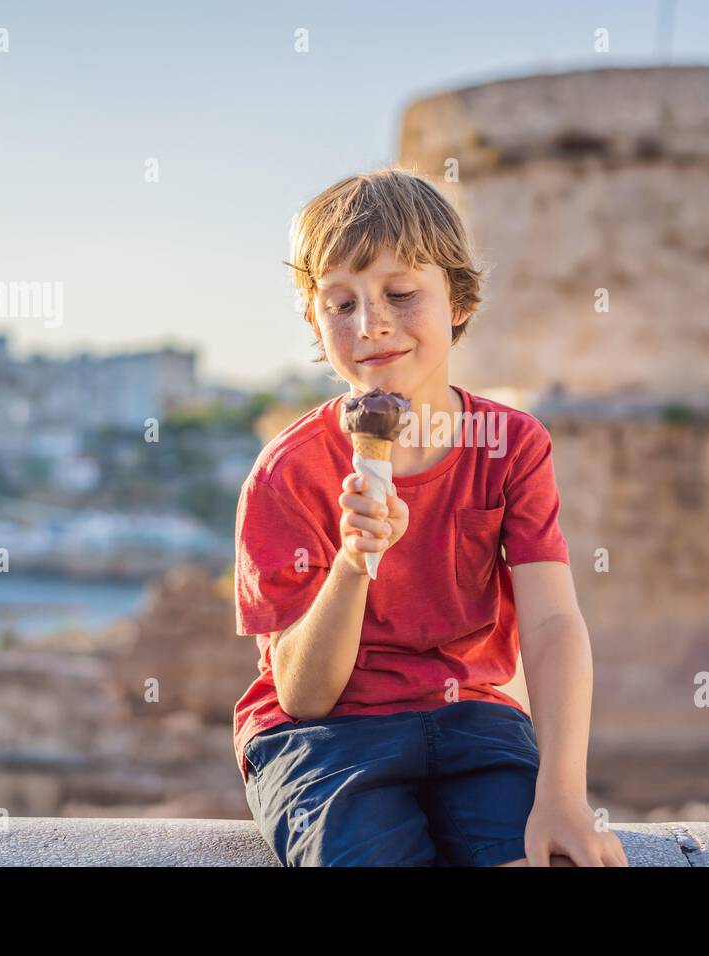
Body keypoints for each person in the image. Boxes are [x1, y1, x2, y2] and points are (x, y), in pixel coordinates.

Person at [233, 167, 627, 867]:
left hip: (473, 716)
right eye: (339, 304)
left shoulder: (513, 446)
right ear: (315, 325)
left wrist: (564, 794)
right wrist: (354, 564)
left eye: (400, 293)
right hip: (325, 737)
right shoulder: (286, 472)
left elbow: (553, 622)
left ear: (460, 298)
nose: (371, 324)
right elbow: (304, 693)